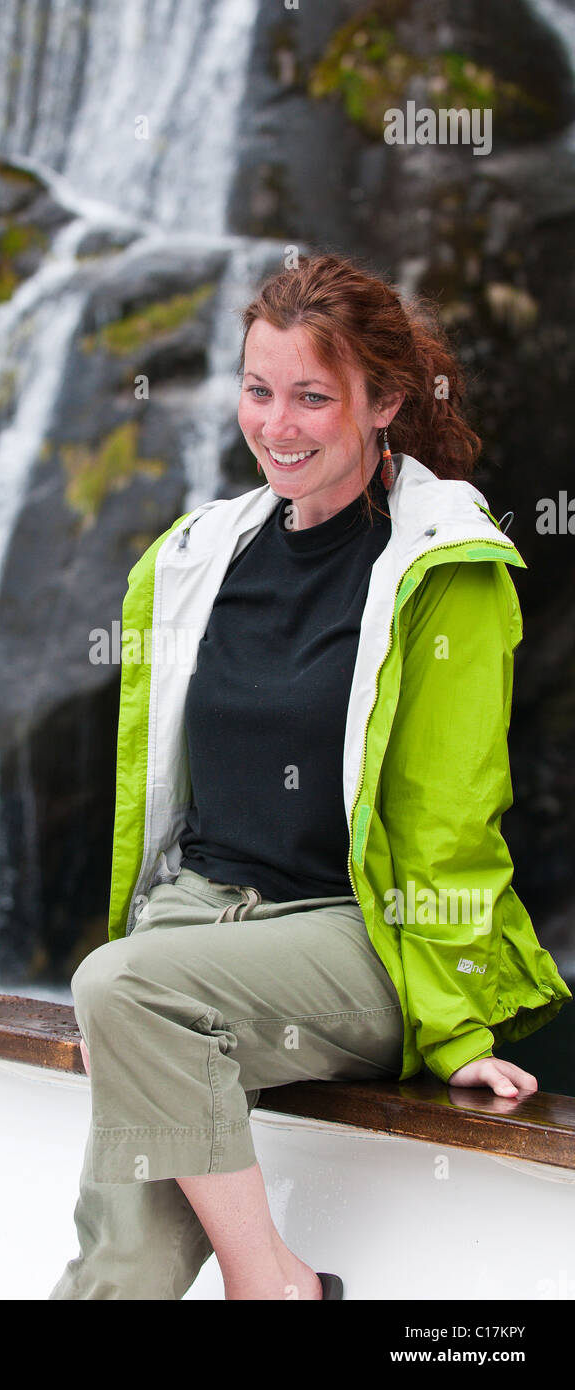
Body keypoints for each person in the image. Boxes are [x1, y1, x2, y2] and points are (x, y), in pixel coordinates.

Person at [49, 252, 571, 1301]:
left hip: (358, 935)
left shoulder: (446, 571)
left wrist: (460, 1024)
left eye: (311, 397)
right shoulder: (201, 554)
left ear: (384, 400)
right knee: (125, 1263)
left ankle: (274, 1285)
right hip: (199, 932)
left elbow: (450, 816)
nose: (276, 424)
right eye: (257, 390)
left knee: (119, 987)